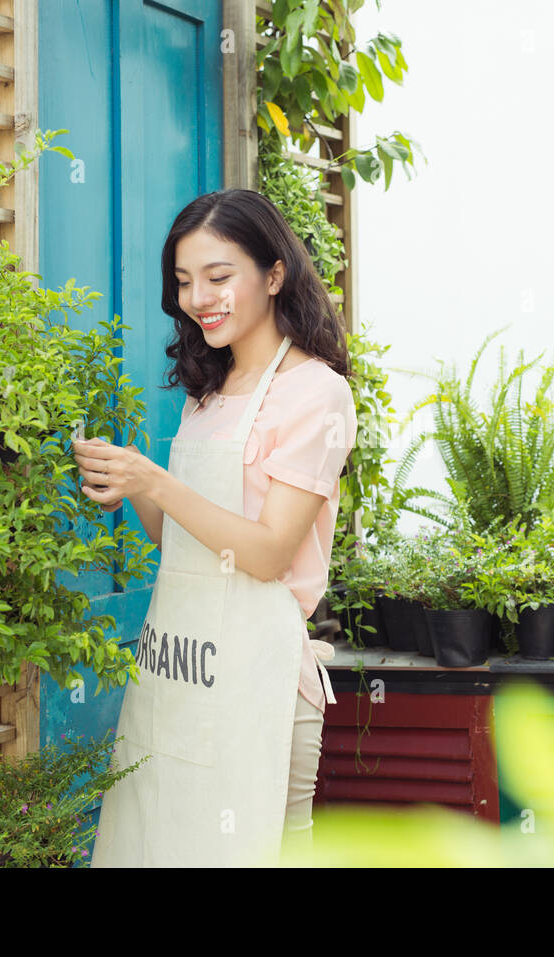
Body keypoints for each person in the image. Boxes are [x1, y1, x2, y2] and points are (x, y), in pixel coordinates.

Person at [73, 188, 357, 866]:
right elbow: (184, 545)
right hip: (181, 670)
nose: (200, 296)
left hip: (260, 683)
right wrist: (128, 487)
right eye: (183, 281)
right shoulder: (209, 391)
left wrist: (156, 480)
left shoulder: (317, 393)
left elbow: (264, 554)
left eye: (219, 276)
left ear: (274, 274)